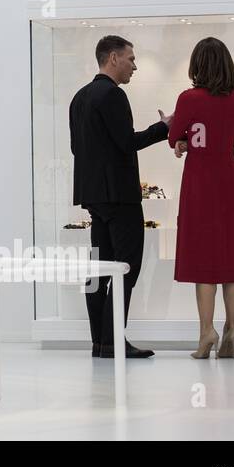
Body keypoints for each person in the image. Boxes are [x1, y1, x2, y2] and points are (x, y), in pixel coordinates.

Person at [69, 35, 172, 359]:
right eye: (130, 58)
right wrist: (163, 127)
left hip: (93, 197)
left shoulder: (80, 97)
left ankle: (100, 342)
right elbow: (127, 143)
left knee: (98, 269)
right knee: (126, 267)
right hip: (120, 197)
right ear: (113, 58)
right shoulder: (113, 95)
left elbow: (78, 149)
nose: (135, 65)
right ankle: (113, 340)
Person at [168, 37, 234, 359]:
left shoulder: (188, 98)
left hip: (200, 182)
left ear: (197, 64)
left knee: (204, 261)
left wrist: (180, 136)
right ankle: (231, 328)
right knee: (230, 258)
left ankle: (206, 332)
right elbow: (219, 131)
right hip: (228, 179)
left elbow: (176, 136)